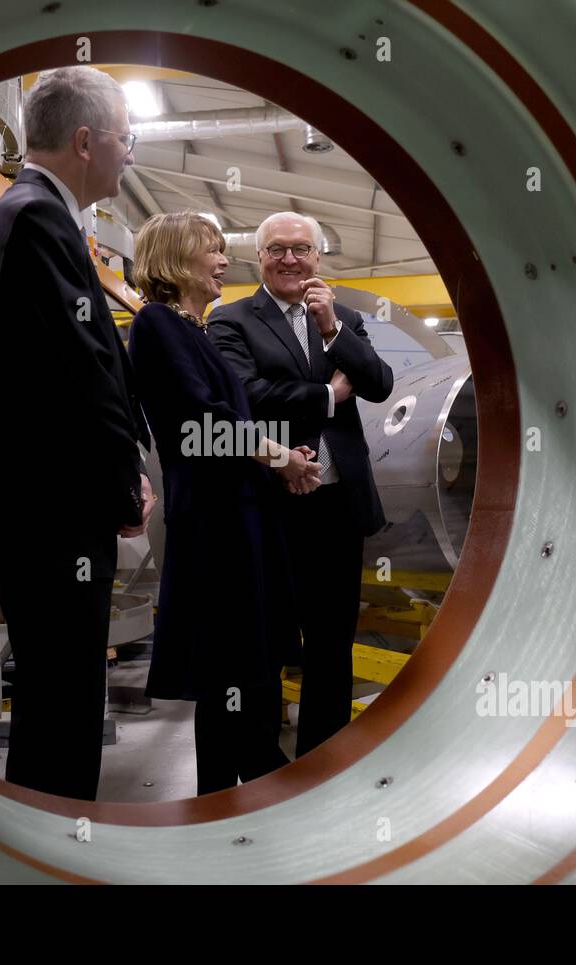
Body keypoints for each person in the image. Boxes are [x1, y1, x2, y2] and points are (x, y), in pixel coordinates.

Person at [0, 66, 154, 801]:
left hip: (39, 509)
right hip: (52, 514)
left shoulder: (30, 215)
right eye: (125, 140)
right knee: (64, 702)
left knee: (55, 694)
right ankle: (60, 842)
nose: (130, 155)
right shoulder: (37, 218)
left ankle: (49, 839)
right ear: (86, 139)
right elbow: (84, 373)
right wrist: (123, 484)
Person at [127, 211, 320, 794]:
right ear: (178, 258)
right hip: (215, 523)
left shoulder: (194, 329)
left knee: (239, 669)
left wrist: (281, 457)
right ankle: (257, 784)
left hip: (238, 516)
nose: (222, 262)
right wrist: (276, 456)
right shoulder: (158, 325)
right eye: (212, 250)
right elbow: (199, 427)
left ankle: (228, 794)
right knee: (230, 668)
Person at [208, 212, 394, 757]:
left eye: (301, 249)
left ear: (320, 256)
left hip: (338, 507)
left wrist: (334, 329)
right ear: (258, 257)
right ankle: (264, 766)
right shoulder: (232, 320)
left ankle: (324, 757)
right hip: (272, 505)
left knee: (333, 643)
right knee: (267, 642)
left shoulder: (345, 320)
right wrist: (328, 396)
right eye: (277, 249)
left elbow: (380, 385)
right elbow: (244, 393)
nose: (290, 259)